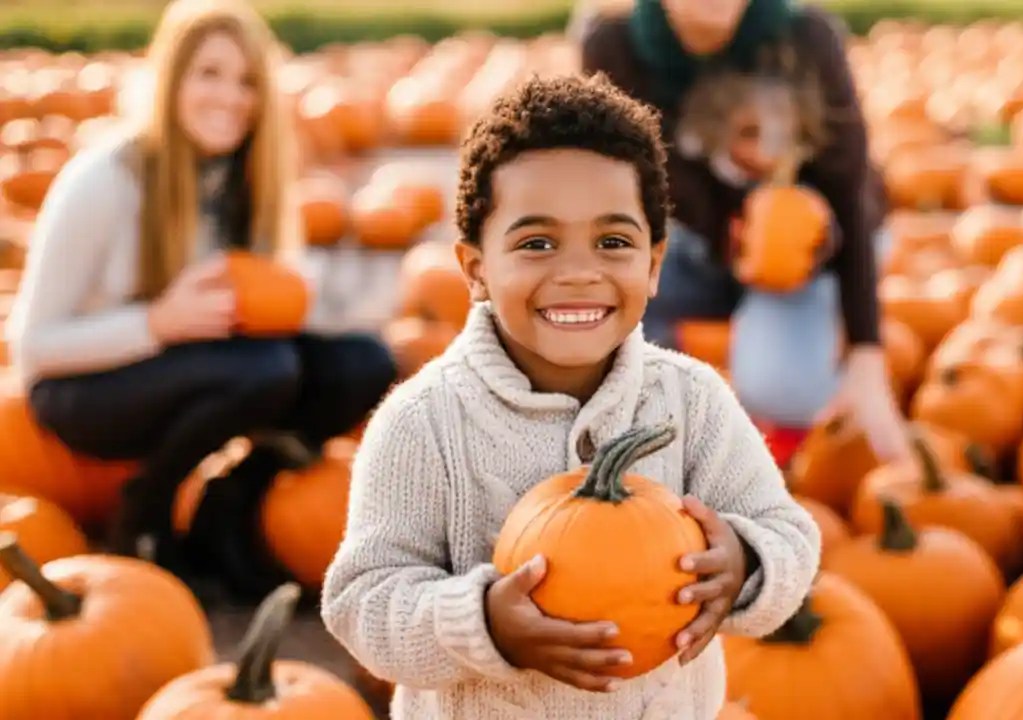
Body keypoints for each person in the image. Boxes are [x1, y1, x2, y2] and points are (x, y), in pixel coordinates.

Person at [321, 74, 819, 719]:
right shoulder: (423, 423)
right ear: (475, 268)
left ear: (654, 262)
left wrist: (746, 562)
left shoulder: (692, 401)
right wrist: (481, 623)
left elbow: (789, 533)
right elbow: (363, 600)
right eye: (537, 243)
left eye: (613, 242)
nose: (579, 272)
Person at [4, 0, 398, 601]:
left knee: (363, 364)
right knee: (265, 370)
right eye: (209, 74)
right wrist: (158, 322)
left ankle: (228, 508)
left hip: (212, 366)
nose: (229, 97)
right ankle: (144, 517)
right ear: (171, 79)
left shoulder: (247, 180)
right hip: (82, 390)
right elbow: (32, 347)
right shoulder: (106, 178)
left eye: (246, 81)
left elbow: (269, 308)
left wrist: (293, 295)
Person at [579, 0, 908, 462]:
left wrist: (866, 359)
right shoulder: (614, 46)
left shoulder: (806, 38)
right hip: (698, 246)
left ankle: (813, 330)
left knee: (785, 392)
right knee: (595, 282)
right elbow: (639, 181)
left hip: (807, 256)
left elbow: (851, 199)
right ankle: (665, 402)